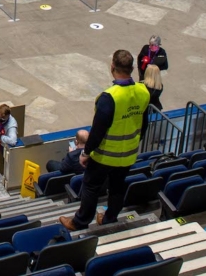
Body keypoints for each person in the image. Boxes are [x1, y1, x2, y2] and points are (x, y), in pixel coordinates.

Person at [59, 50, 150, 230]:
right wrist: (134, 143)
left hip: (105, 156)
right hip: (128, 154)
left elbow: (97, 131)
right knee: (117, 187)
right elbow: (144, 124)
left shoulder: (109, 97)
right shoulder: (143, 91)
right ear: (132, 68)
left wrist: (85, 153)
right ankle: (109, 218)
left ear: (112, 67)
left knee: (90, 186)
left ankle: (80, 222)